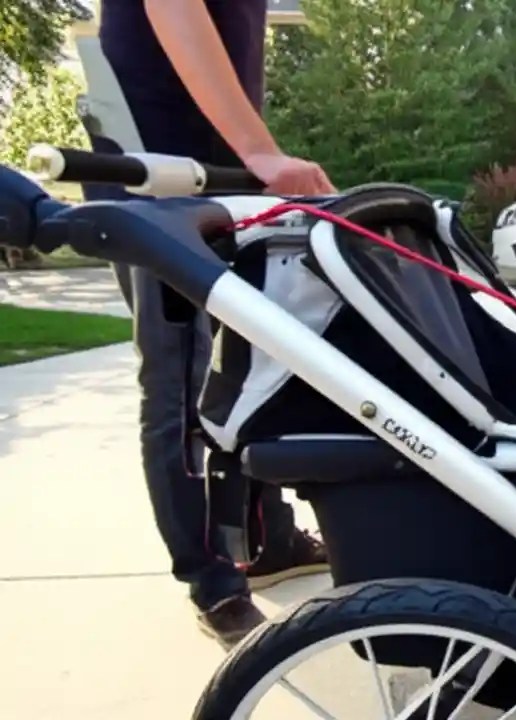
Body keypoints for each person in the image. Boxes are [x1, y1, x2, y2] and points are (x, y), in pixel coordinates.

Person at [82, 0, 338, 648]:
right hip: (154, 174)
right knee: (180, 379)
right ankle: (213, 582)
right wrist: (262, 150)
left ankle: (269, 540)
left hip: (221, 176)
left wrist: (249, 153)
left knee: (252, 360)